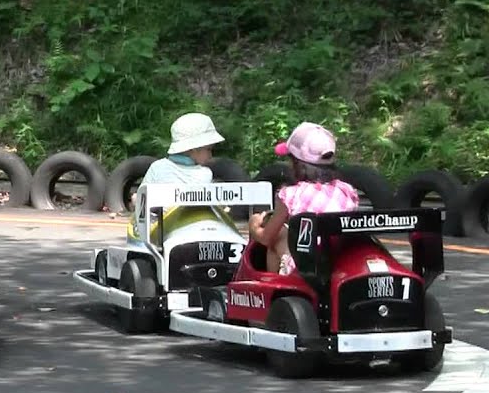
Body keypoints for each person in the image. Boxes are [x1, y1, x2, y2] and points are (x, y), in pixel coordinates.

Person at [248, 121, 360, 275]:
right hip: (340, 259)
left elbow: (266, 238)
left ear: (298, 164)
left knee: (277, 236)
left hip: (306, 267)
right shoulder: (346, 191)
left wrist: (254, 226)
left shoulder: (290, 195)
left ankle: (273, 284)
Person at [130, 112, 225, 243]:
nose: (211, 155)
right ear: (193, 149)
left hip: (159, 234)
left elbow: (139, 200)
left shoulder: (157, 167)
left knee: (137, 198)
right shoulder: (204, 173)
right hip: (190, 231)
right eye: (208, 149)